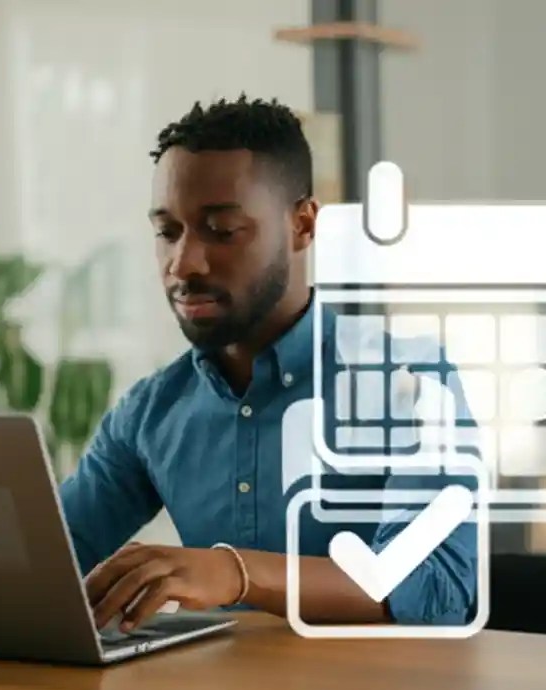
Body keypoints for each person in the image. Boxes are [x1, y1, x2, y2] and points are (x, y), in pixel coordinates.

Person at [58, 95, 478, 633]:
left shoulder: (411, 384)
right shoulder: (150, 412)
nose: (183, 263)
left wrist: (237, 573)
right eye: (168, 232)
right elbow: (49, 557)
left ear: (302, 224)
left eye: (222, 230)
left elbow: (437, 589)